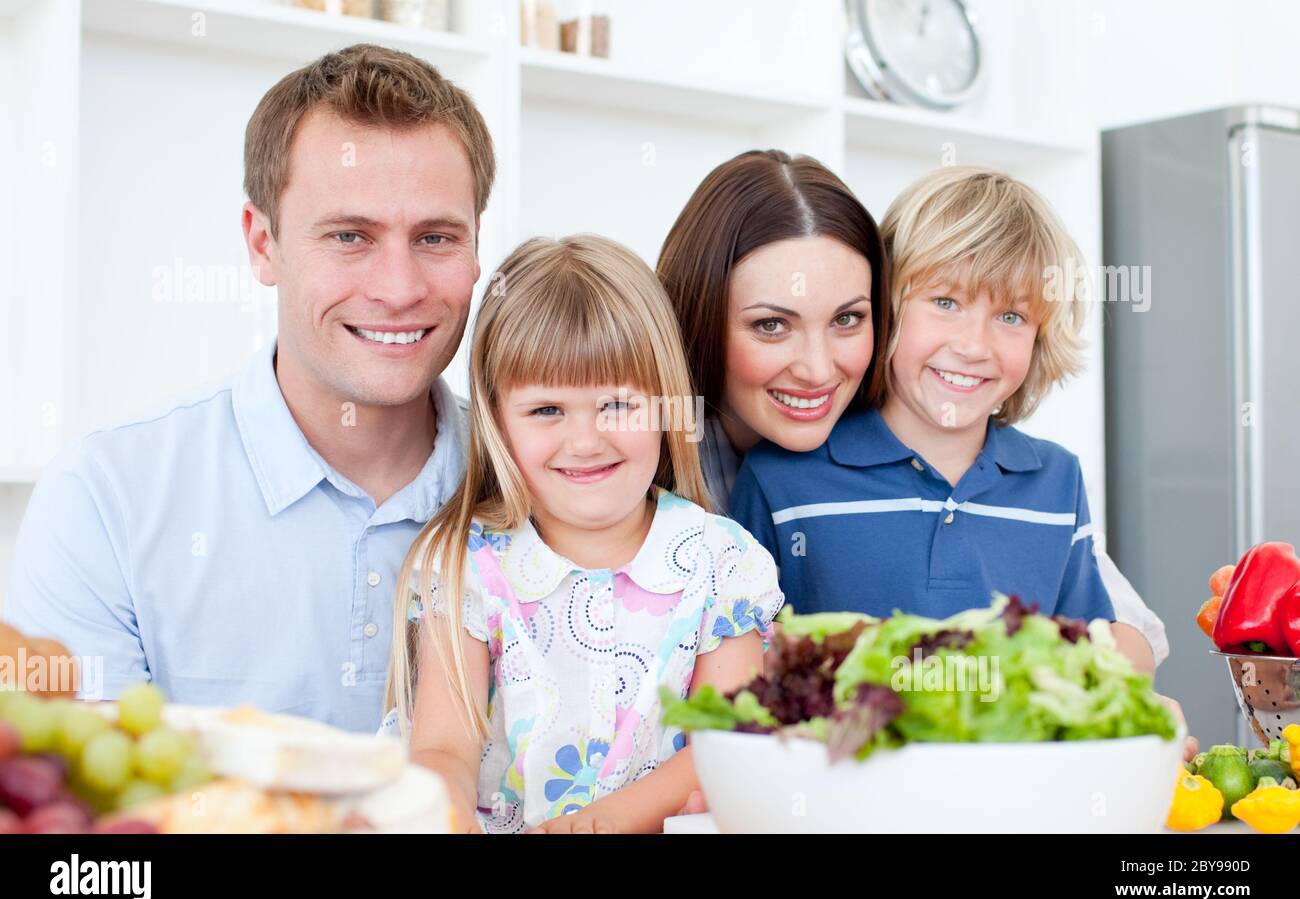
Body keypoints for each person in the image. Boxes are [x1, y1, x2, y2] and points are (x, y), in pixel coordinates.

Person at [3, 45, 493, 732]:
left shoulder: (551, 483)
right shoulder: (106, 498)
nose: (399, 288)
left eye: (436, 238)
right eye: (350, 236)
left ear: (476, 249)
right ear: (263, 244)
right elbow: (87, 810)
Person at [658, 151, 1169, 668]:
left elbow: (1101, 639)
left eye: (1011, 315)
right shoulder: (766, 478)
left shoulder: (1055, 480)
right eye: (945, 303)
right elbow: (743, 674)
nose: (974, 345)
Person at [384, 235, 783, 833]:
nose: (586, 440)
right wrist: (441, 812)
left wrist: (596, 824)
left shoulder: (721, 563)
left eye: (618, 406)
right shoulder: (466, 566)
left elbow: (725, 748)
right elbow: (444, 744)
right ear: (496, 420)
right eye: (547, 410)